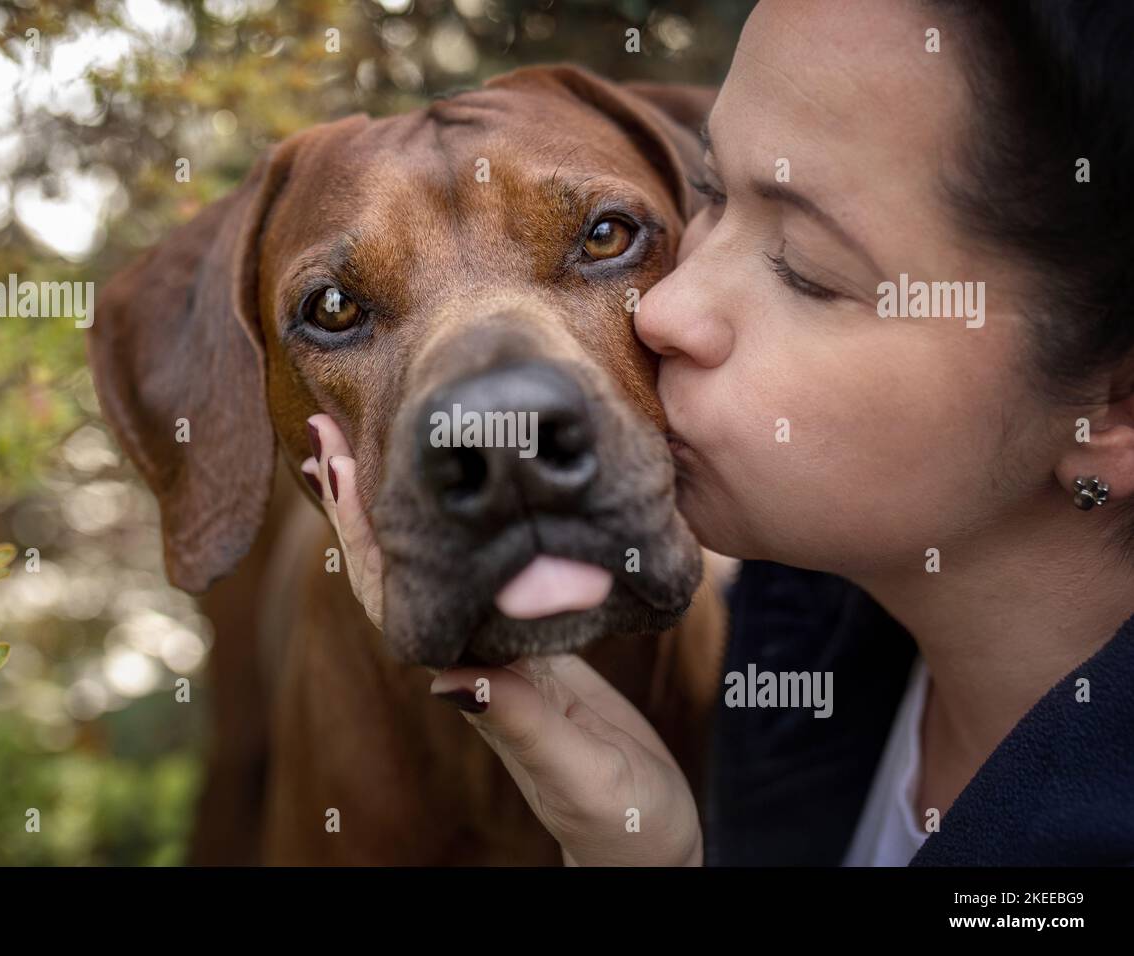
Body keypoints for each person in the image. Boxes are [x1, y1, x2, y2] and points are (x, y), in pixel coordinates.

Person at [300, 0, 1134, 865]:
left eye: (806, 271)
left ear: (1114, 406)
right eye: (709, 195)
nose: (664, 306)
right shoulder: (790, 631)